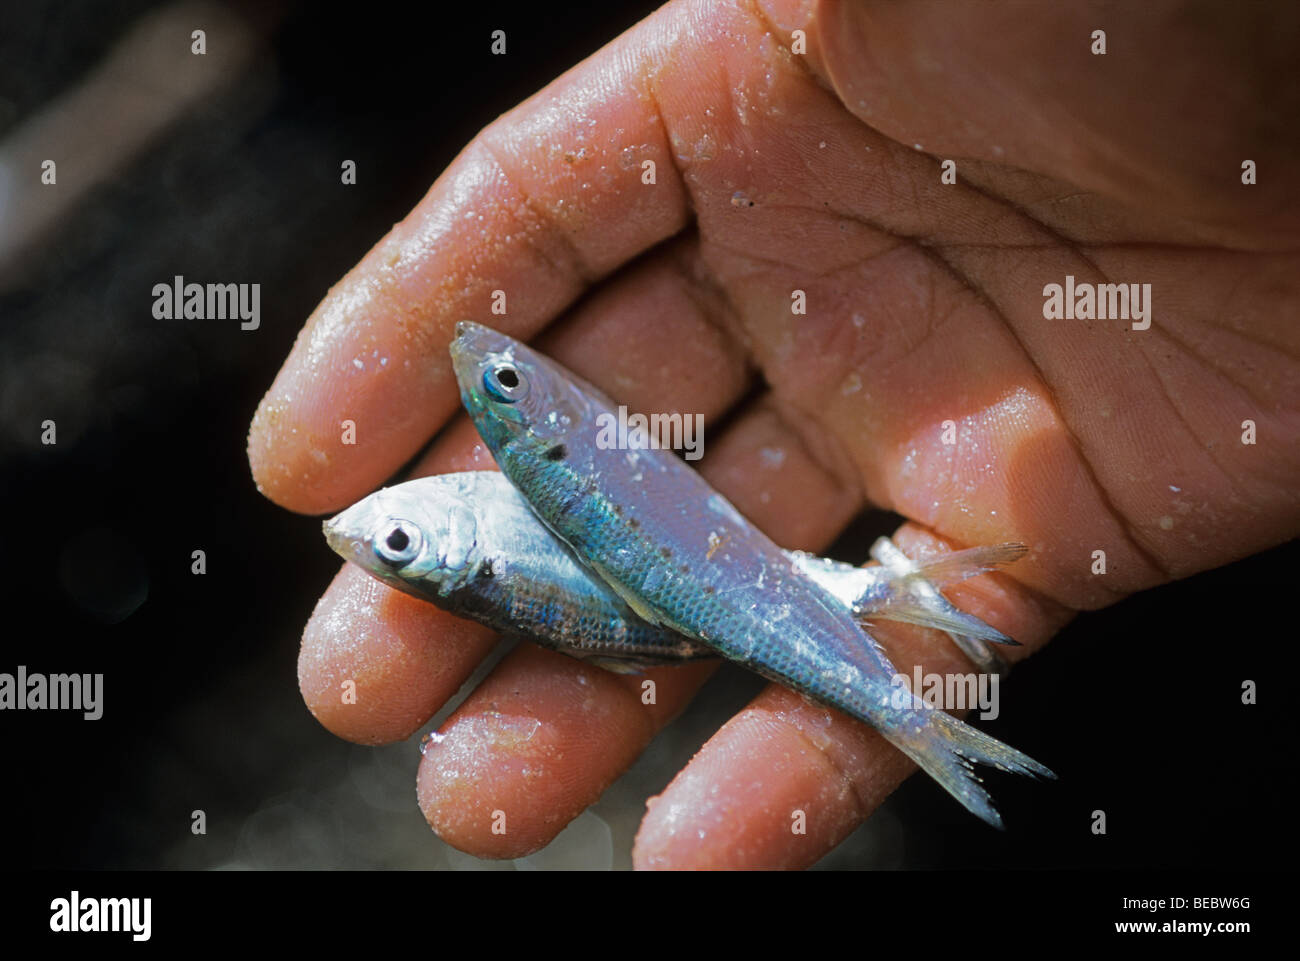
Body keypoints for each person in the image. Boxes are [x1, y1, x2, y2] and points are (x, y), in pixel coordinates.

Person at [246, 0, 1300, 869]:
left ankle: (948, 743)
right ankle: (934, 729)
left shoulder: (547, 460)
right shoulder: (544, 457)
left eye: (507, 383)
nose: (502, 362)